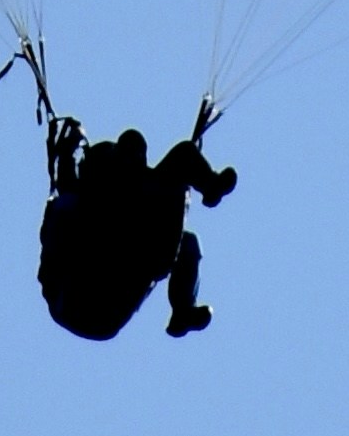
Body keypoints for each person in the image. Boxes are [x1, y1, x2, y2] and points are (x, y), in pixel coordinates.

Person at [36, 99, 237, 342]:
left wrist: (68, 148)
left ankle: (183, 311)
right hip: (83, 295)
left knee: (186, 236)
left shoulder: (132, 198)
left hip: (107, 294)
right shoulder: (92, 199)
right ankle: (183, 310)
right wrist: (68, 150)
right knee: (181, 162)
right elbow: (69, 190)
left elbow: (69, 189)